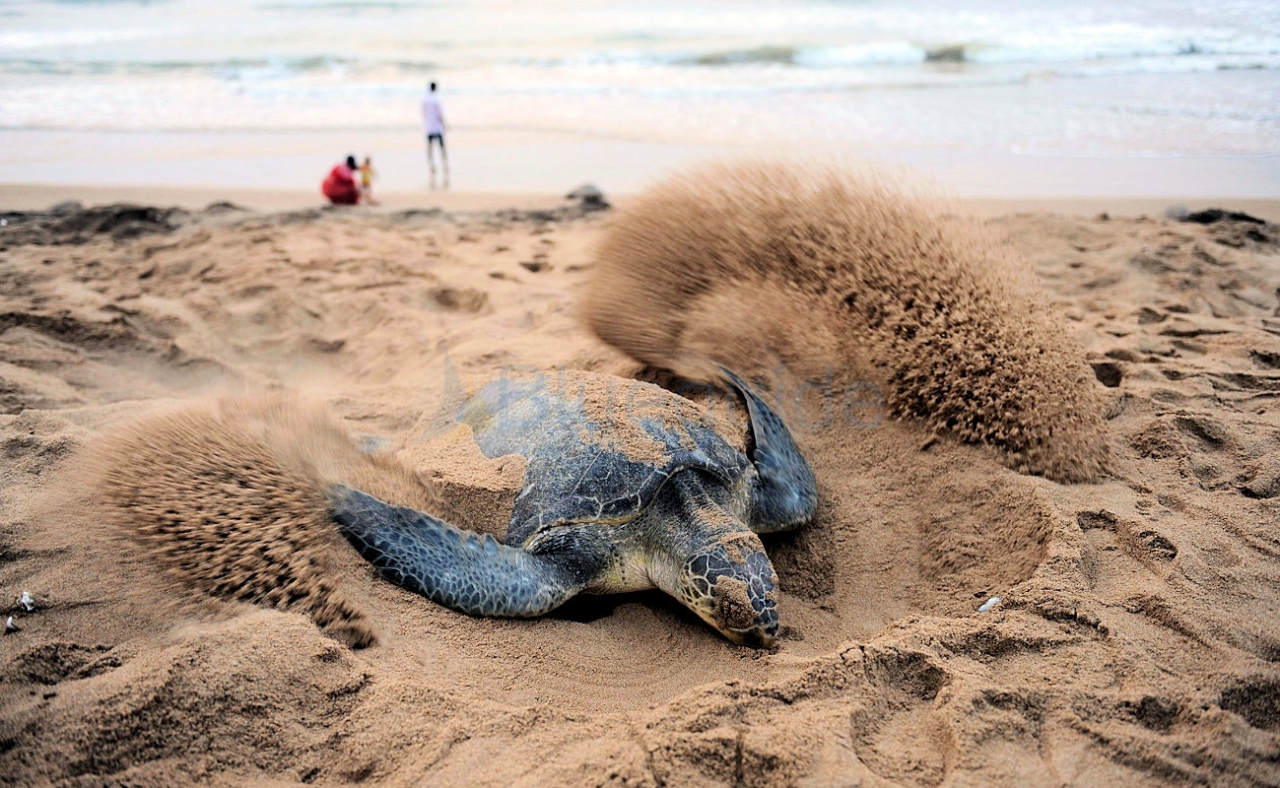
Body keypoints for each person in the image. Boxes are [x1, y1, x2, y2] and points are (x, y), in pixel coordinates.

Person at [422, 82, 449, 188]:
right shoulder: (437, 100)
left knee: (430, 149)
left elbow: (423, 112)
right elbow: (440, 114)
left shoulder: (425, 99)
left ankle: (432, 166)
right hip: (437, 127)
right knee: (442, 148)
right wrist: (445, 125)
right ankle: (444, 164)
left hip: (429, 127)